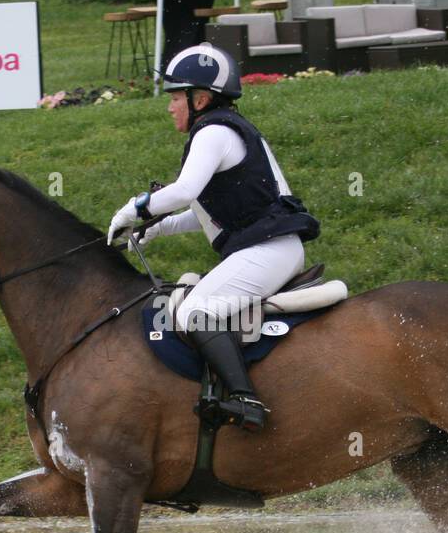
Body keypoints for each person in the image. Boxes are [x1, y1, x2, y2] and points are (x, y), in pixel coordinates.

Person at [107, 43, 320, 432]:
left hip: (268, 251)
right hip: (269, 248)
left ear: (200, 98)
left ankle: (246, 400)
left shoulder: (214, 130)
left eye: (175, 97)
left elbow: (184, 191)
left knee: (194, 313)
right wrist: (158, 228)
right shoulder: (224, 128)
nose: (170, 106)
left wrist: (134, 208)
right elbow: (209, 212)